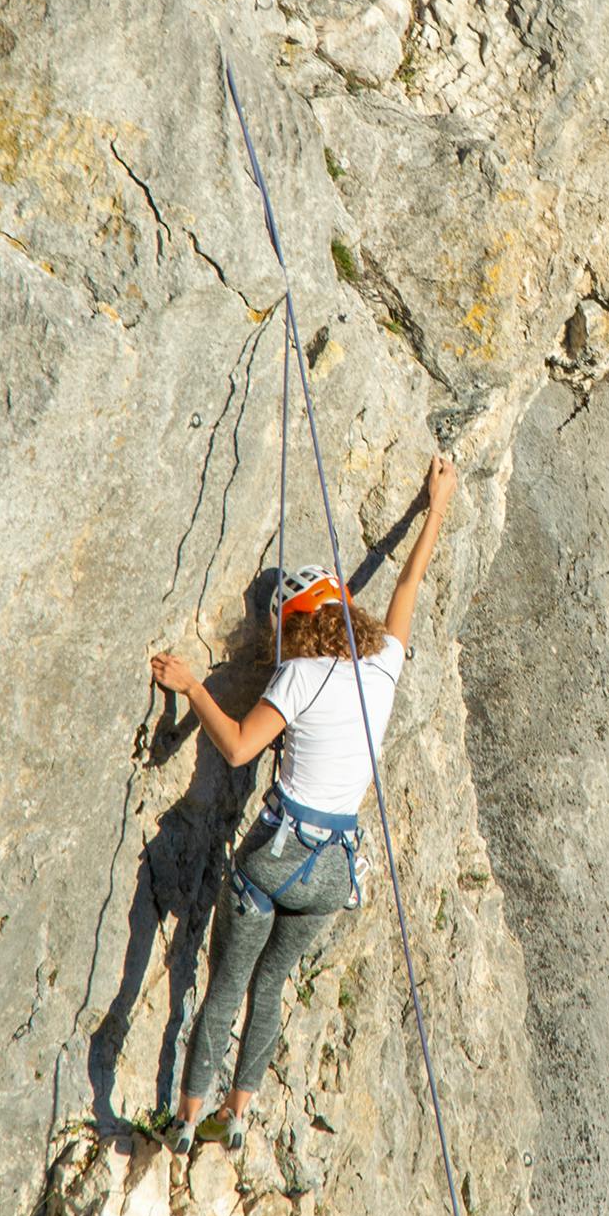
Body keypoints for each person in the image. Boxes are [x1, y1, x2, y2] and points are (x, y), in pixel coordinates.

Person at [149, 450, 461, 1147]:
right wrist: (435, 504)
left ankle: (187, 1116)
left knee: (226, 983)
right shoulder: (385, 664)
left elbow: (238, 748)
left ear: (291, 628)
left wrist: (193, 686)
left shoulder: (299, 674)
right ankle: (238, 1115)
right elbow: (408, 580)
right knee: (271, 986)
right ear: (345, 611)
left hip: (277, 854)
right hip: (334, 871)